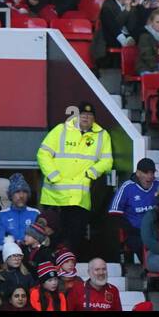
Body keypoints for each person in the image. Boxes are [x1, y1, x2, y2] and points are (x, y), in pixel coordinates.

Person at [36, 103, 113, 254]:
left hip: (80, 196)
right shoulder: (61, 130)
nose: (86, 117)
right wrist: (53, 175)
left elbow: (107, 161)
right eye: (83, 114)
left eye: (89, 115)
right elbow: (43, 153)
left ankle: (69, 264)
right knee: (52, 234)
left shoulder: (102, 135)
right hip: (56, 195)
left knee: (75, 234)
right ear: (77, 116)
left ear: (94, 119)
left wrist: (91, 172)